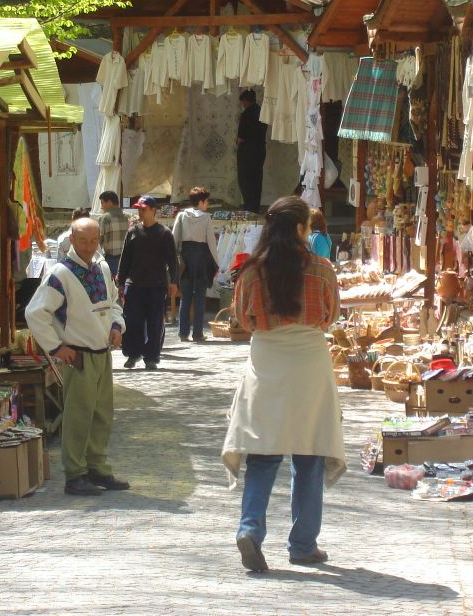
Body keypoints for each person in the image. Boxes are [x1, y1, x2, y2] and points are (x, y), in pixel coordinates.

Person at [222, 196, 346, 572]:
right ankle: (303, 544)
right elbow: (331, 316)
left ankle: (250, 529)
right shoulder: (322, 268)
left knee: (262, 455)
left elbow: (242, 319)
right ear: (298, 228)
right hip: (310, 364)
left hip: (266, 366)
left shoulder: (251, 272)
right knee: (309, 456)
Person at [25, 217, 131, 497]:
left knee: (101, 415)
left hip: (101, 352)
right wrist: (56, 347)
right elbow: (35, 313)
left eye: (94, 240)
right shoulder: (60, 273)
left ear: (100, 240)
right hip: (78, 355)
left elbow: (112, 302)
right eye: (83, 240)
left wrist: (117, 326)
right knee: (78, 416)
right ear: (72, 240)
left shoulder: (103, 267)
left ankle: (96, 466)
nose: (88, 245)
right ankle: (75, 474)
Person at [117, 194, 179, 370]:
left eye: (143, 209)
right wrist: (121, 281)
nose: (140, 212)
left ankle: (151, 357)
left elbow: (172, 260)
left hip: (157, 285)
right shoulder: (133, 232)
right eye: (138, 209)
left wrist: (173, 282)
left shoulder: (164, 233)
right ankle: (132, 354)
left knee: (154, 323)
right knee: (132, 322)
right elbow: (125, 259)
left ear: (153, 210)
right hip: (134, 284)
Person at [172, 186, 219, 342]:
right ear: (201, 202)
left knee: (185, 297)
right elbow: (211, 243)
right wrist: (216, 263)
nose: (207, 204)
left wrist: (174, 259)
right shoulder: (206, 218)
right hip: (201, 259)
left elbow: (175, 238)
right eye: (206, 201)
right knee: (200, 297)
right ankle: (198, 333)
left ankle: (183, 333)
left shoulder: (181, 216)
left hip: (185, 258)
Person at [236, 89, 268, 214]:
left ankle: (248, 207)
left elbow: (241, 138)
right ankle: (255, 207)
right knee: (256, 179)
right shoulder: (262, 112)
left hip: (247, 152)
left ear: (245, 101)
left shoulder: (246, 114)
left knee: (245, 179)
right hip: (260, 150)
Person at [98, 191, 130, 278]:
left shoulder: (105, 218)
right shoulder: (129, 217)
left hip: (112, 260)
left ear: (109, 202)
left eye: (102, 203)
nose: (101, 207)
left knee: (113, 288)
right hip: (129, 259)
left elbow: (98, 240)